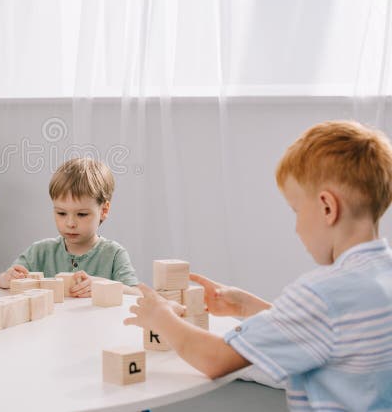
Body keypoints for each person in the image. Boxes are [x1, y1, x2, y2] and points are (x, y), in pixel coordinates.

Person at [126, 120, 392, 410]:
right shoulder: (379, 276)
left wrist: (161, 317)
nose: (297, 227)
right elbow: (326, 329)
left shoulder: (322, 294)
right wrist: (246, 307)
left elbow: (216, 360)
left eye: (296, 210)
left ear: (327, 207)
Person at [0, 158, 140, 297]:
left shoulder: (114, 254)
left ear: (103, 210)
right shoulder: (40, 252)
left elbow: (137, 294)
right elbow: (1, 281)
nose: (70, 223)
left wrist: (101, 284)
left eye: (82, 214)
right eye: (61, 213)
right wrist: (7, 278)